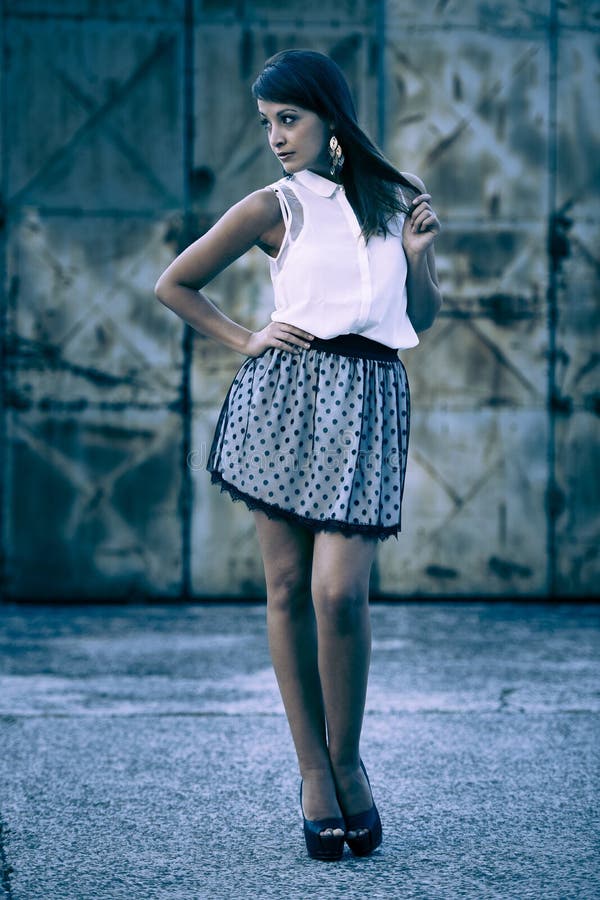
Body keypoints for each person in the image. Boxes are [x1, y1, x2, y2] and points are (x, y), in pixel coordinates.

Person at [154, 49, 442, 862]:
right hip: (285, 400)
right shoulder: (270, 207)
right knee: (287, 589)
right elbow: (174, 284)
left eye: (290, 118)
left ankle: (349, 765)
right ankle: (314, 775)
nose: (277, 137)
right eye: (268, 123)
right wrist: (246, 339)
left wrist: (421, 257)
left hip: (371, 397)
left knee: (339, 593)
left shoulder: (395, 199)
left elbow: (417, 317)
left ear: (329, 116)